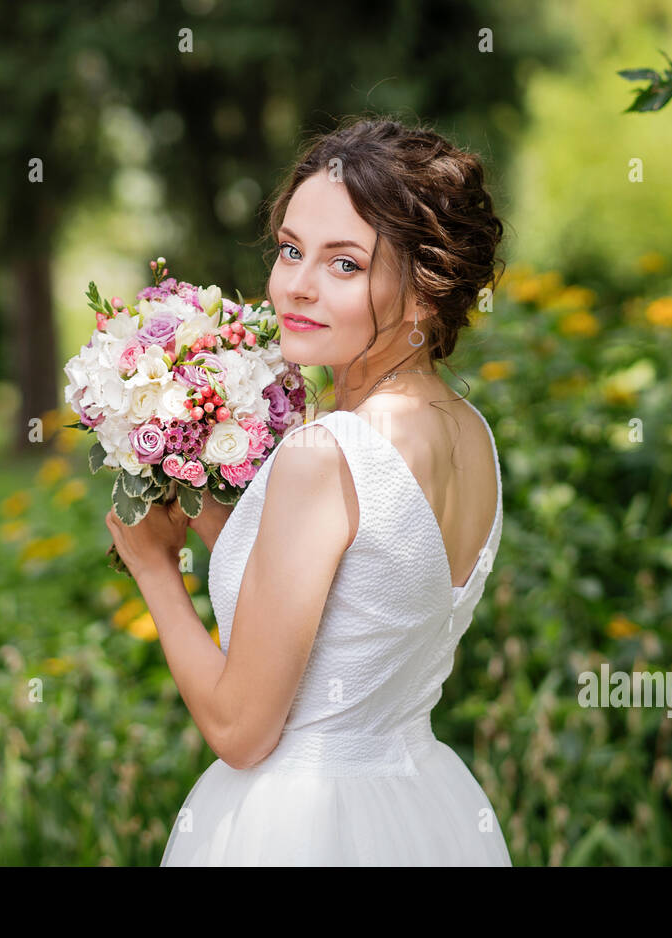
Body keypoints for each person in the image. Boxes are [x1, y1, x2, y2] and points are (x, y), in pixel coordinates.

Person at [105, 116, 510, 865]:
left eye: (345, 264)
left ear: (425, 287)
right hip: (420, 810)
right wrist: (207, 514)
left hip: (304, 824)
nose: (297, 285)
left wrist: (154, 570)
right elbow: (354, 610)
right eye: (292, 250)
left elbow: (241, 730)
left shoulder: (324, 454)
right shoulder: (467, 432)